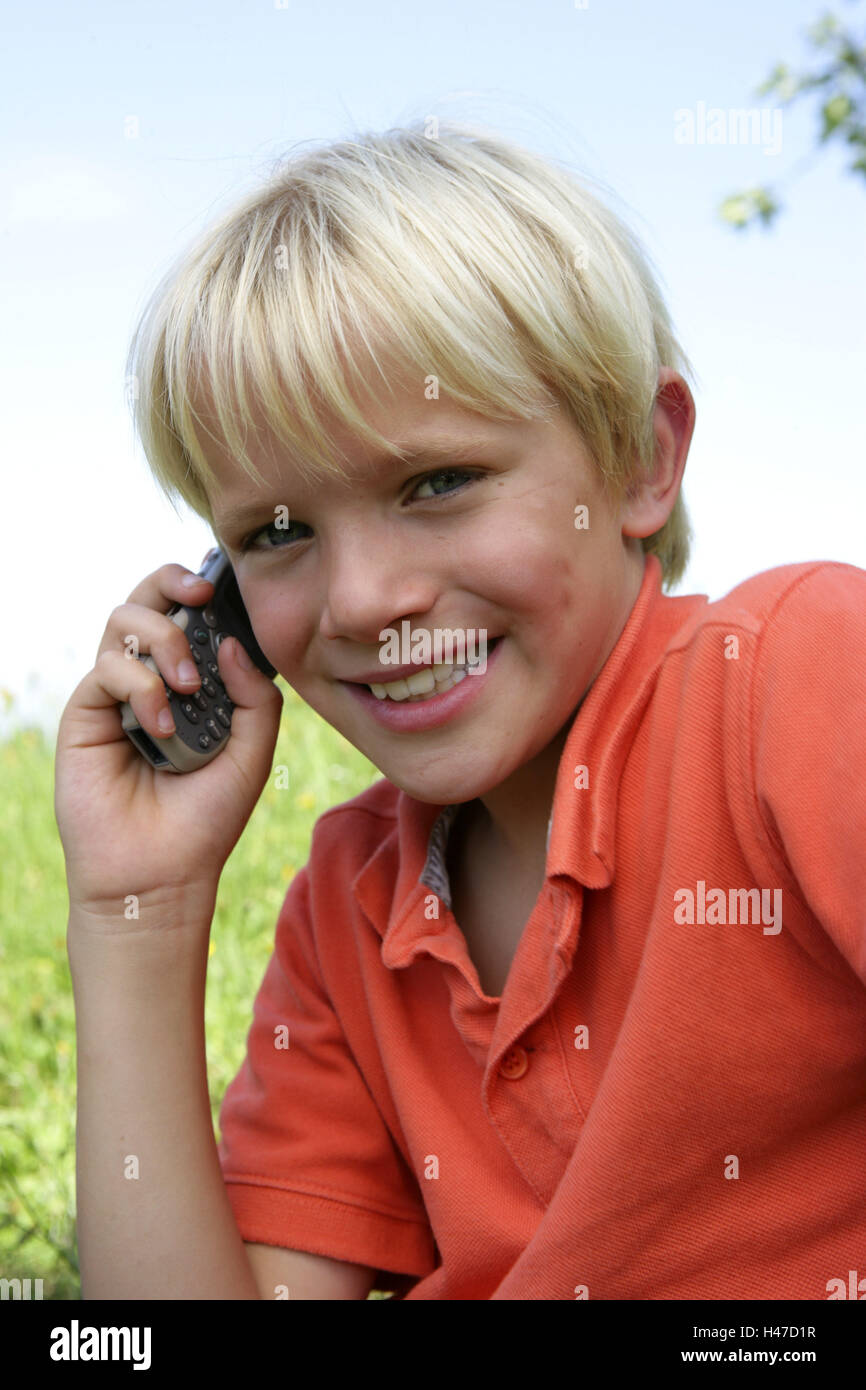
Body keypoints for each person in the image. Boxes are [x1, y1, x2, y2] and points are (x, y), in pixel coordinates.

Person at [54, 121, 866, 1300]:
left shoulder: (793, 679)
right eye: (277, 534)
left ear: (640, 459)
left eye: (437, 482)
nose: (366, 598)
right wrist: (139, 914)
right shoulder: (346, 911)